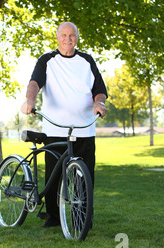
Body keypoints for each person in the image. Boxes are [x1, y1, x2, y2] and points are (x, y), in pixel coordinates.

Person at [21, 21, 108, 228]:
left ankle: (82, 218)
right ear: (58, 37)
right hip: (55, 129)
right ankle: (53, 217)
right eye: (64, 35)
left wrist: (99, 103)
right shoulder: (47, 60)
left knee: (84, 177)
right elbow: (34, 83)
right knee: (54, 176)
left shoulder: (87, 60)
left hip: (84, 128)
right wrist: (30, 101)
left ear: (77, 37)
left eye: (72, 35)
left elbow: (99, 88)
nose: (68, 39)